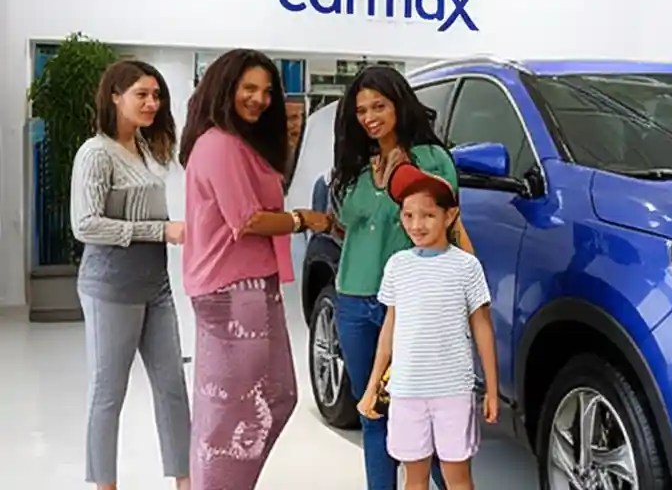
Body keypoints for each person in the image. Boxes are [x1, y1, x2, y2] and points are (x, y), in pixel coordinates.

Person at [178, 48, 330, 488]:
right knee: (236, 410)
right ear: (225, 87)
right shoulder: (220, 144)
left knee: (265, 399)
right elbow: (245, 219)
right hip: (233, 290)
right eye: (249, 88)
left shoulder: (230, 142)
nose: (260, 99)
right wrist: (305, 219)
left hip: (245, 287)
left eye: (267, 91)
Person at [329, 65, 474, 490]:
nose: (370, 116)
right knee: (372, 412)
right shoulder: (354, 164)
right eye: (361, 110)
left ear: (398, 104)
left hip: (413, 306)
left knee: (426, 416)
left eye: (379, 106)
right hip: (354, 299)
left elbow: (447, 226)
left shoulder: (432, 159)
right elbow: (344, 221)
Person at [71, 60, 191, 490]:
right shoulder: (95, 153)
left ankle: (186, 480)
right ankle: (105, 485)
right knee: (108, 393)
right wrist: (159, 230)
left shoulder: (144, 148)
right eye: (142, 94)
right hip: (110, 288)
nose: (152, 103)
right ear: (115, 96)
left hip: (155, 286)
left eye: (156, 95)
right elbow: (85, 224)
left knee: (173, 387)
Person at [357, 164, 499, 490]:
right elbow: (389, 330)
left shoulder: (466, 266)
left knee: (458, 478)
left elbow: (482, 328)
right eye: (408, 216)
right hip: (406, 391)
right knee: (414, 478)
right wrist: (372, 387)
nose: (416, 225)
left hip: (454, 391)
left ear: (450, 216)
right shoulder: (398, 266)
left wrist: (491, 389)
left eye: (427, 215)